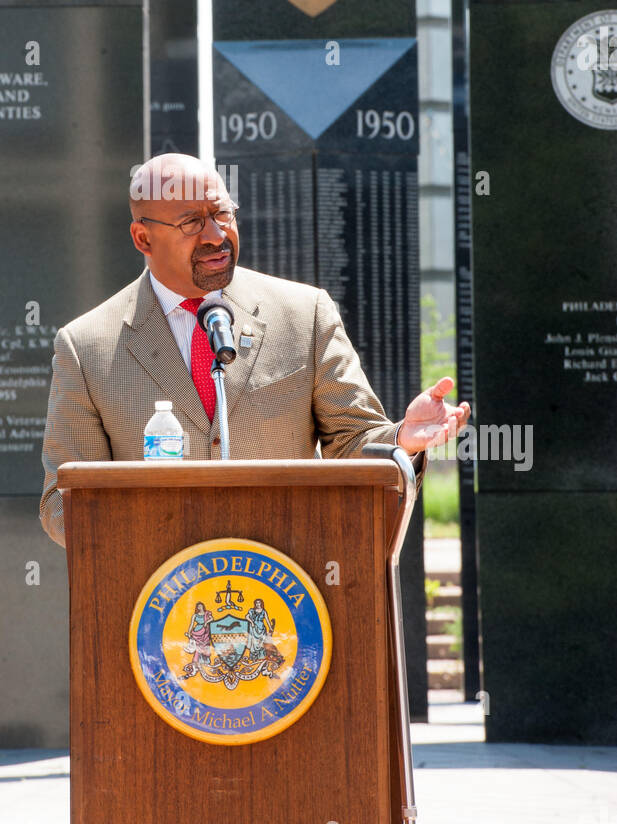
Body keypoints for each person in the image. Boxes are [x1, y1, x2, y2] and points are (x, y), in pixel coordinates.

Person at [39, 153, 470, 547]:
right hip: (156, 601)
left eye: (222, 213)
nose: (215, 235)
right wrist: (154, 527)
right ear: (143, 238)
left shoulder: (304, 314)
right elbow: (62, 503)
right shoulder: (87, 347)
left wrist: (402, 439)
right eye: (191, 222)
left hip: (287, 587)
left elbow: (353, 441)